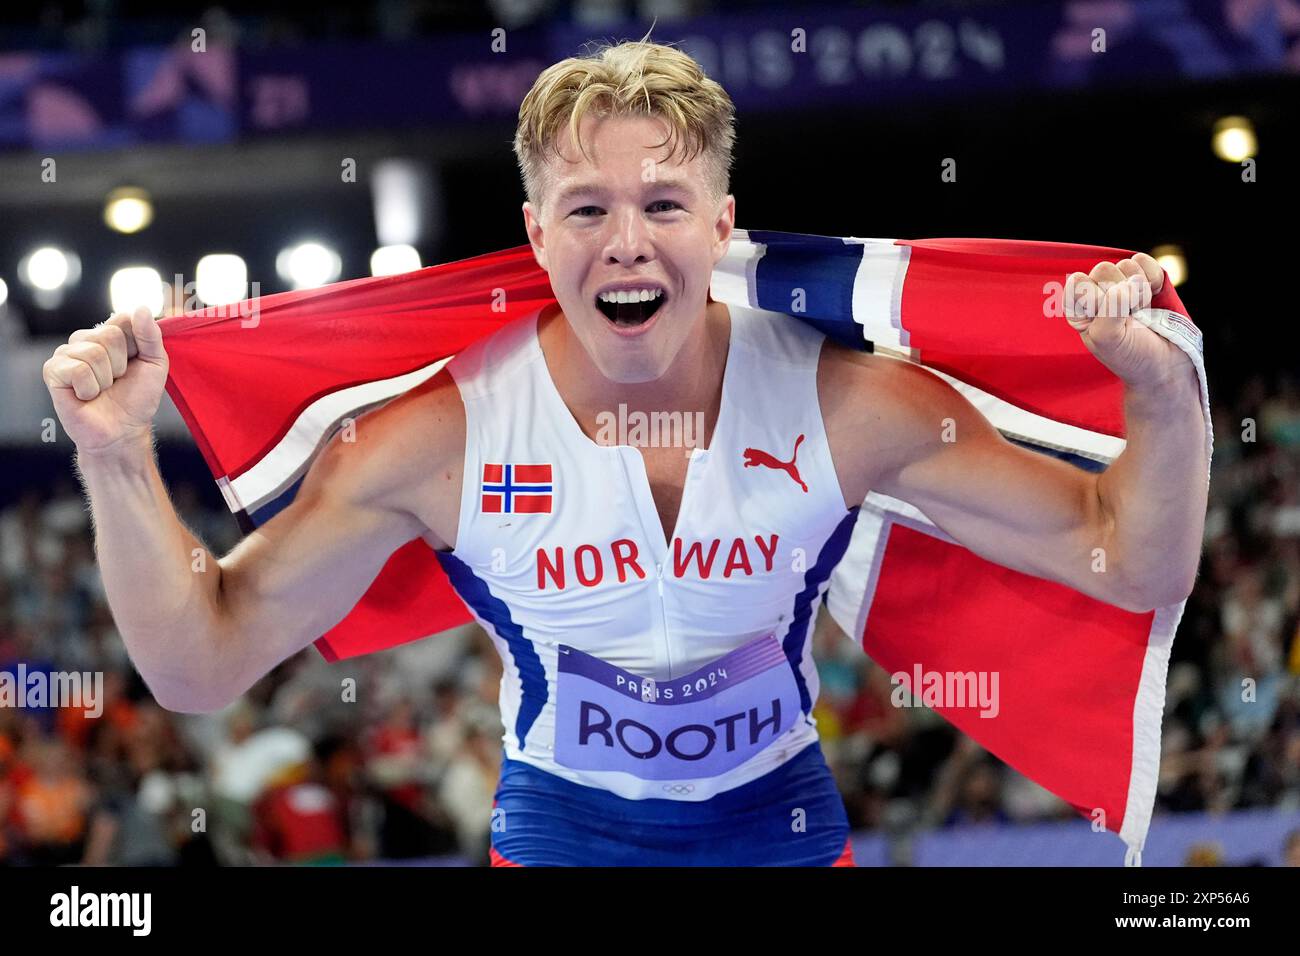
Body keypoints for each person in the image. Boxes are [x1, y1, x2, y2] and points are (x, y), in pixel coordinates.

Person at [41, 39, 1208, 866]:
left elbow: (1128, 560)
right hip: (557, 841)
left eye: (663, 202)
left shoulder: (849, 405)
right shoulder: (437, 440)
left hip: (782, 839)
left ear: (722, 225)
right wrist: (115, 457)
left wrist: (1160, 393)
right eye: (588, 209)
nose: (628, 243)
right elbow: (201, 664)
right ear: (536, 235)